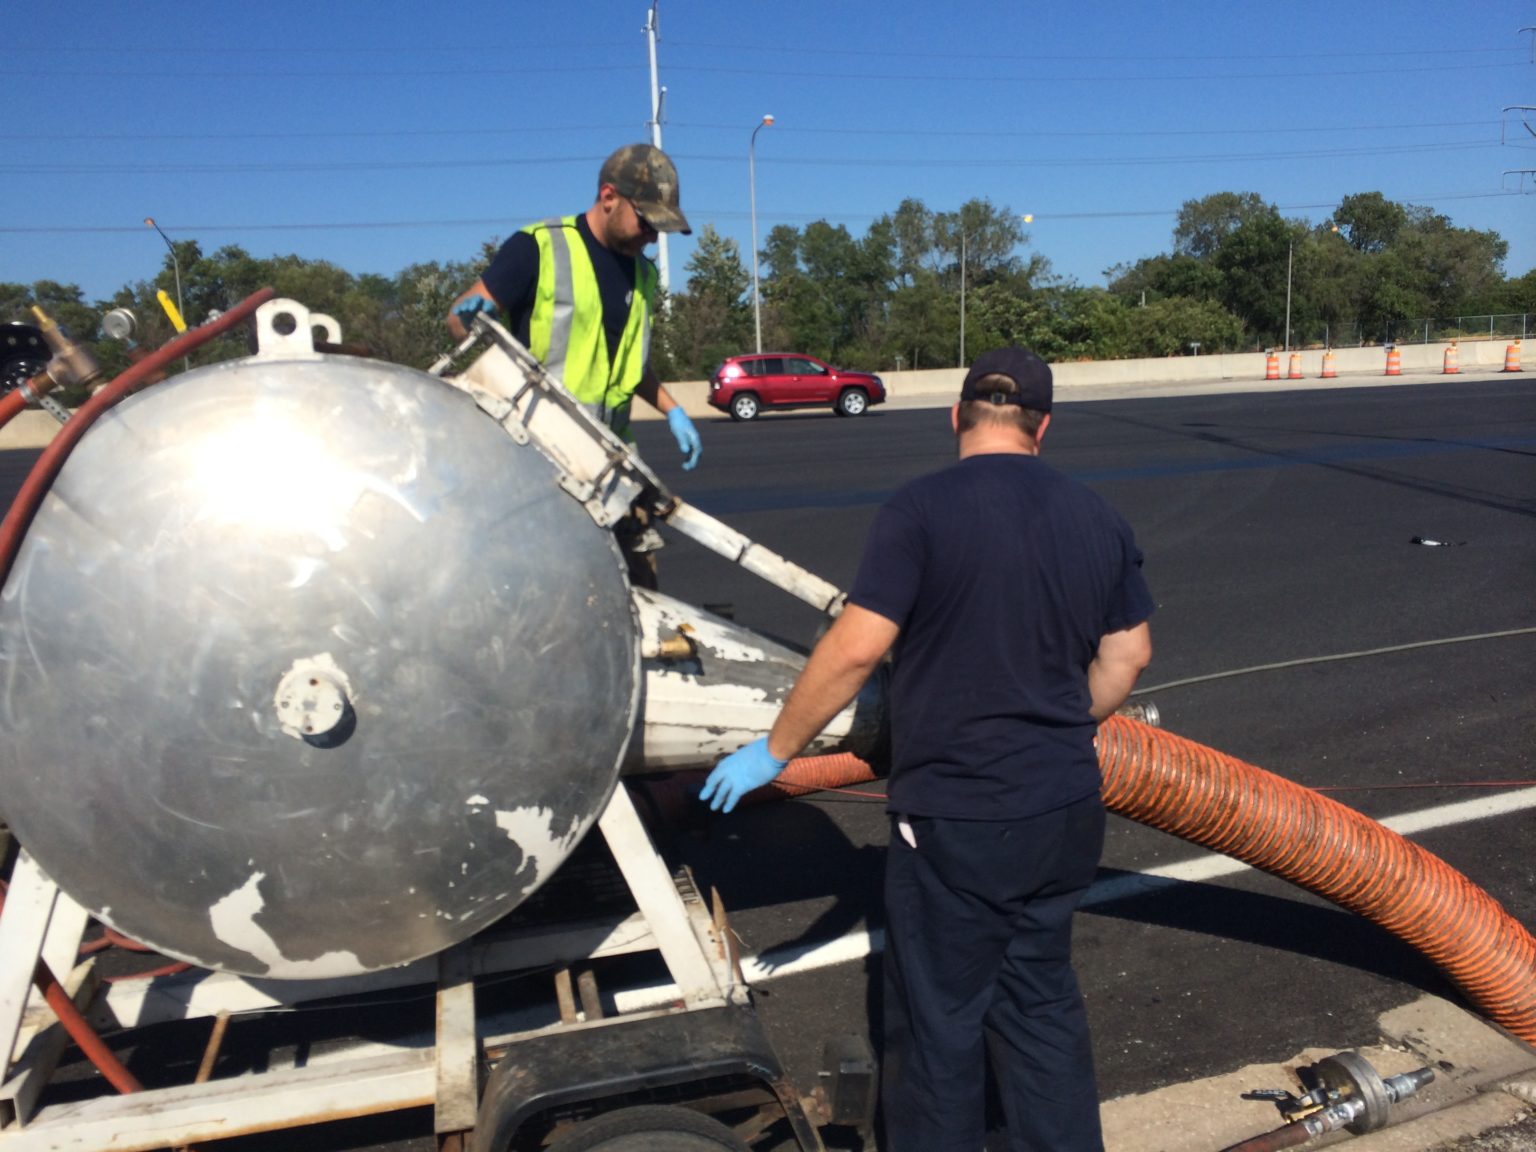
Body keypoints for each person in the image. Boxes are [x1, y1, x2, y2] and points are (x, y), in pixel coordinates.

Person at [700, 346, 1154, 1152]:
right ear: (1043, 426)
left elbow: (854, 649)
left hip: (959, 816)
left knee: (940, 1027)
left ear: (956, 417)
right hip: (1063, 810)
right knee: (1040, 1002)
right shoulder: (1099, 519)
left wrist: (774, 751)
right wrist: (1056, 721)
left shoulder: (921, 510)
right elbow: (1129, 657)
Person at [446, 143, 702, 473]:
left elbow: (630, 367)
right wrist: (469, 319)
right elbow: (456, 323)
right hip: (539, 452)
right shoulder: (537, 247)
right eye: (646, 223)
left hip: (610, 455)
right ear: (609, 197)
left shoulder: (644, 274)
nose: (653, 238)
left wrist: (672, 411)